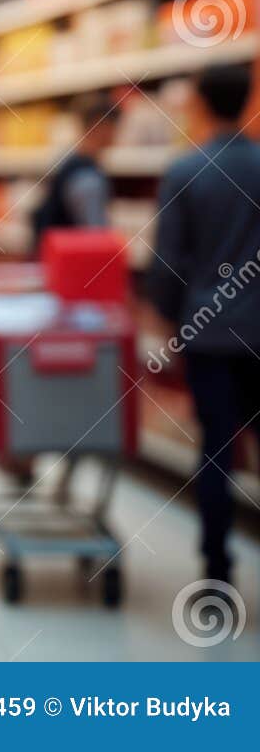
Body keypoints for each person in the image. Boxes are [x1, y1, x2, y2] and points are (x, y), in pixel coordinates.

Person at [144, 64, 260, 592]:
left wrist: (166, 319)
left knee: (216, 446)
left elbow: (168, 262)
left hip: (209, 332)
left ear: (199, 103)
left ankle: (217, 567)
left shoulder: (186, 171)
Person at [30, 93, 119, 246]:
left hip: (56, 251)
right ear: (101, 126)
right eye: (114, 127)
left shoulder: (65, 159)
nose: (116, 134)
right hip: (75, 255)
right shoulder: (88, 178)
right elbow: (96, 236)